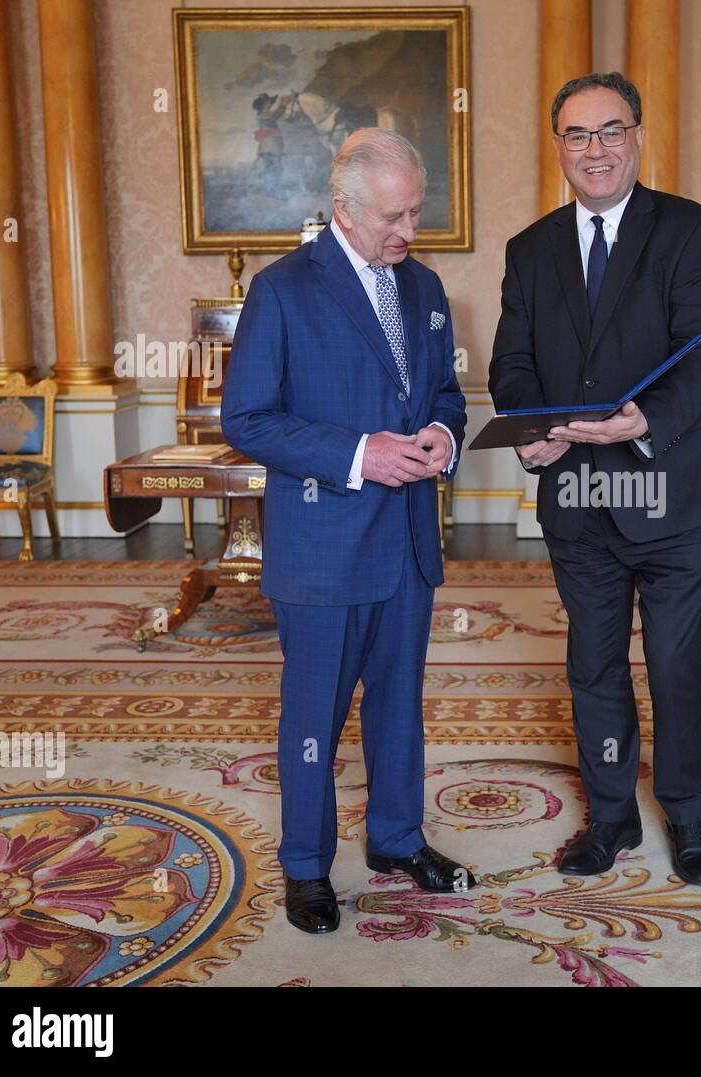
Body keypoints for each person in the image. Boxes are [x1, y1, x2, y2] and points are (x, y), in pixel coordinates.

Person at [488, 72, 701, 885]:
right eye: (576, 135)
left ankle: (690, 818)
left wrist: (645, 420)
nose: (594, 149)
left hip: (673, 491)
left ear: (637, 137)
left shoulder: (694, 232)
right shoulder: (529, 250)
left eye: (610, 131)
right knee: (592, 666)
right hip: (579, 498)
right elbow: (512, 364)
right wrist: (530, 428)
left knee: (676, 664)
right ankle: (612, 818)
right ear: (557, 146)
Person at [222, 128, 472, 935]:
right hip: (325, 550)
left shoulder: (427, 287)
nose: (409, 231)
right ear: (343, 208)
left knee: (400, 707)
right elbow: (247, 417)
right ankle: (305, 865)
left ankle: (397, 839)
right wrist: (359, 452)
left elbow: (445, 392)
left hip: (407, 542)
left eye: (415, 212)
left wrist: (442, 432)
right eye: (393, 217)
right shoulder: (284, 289)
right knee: (314, 718)